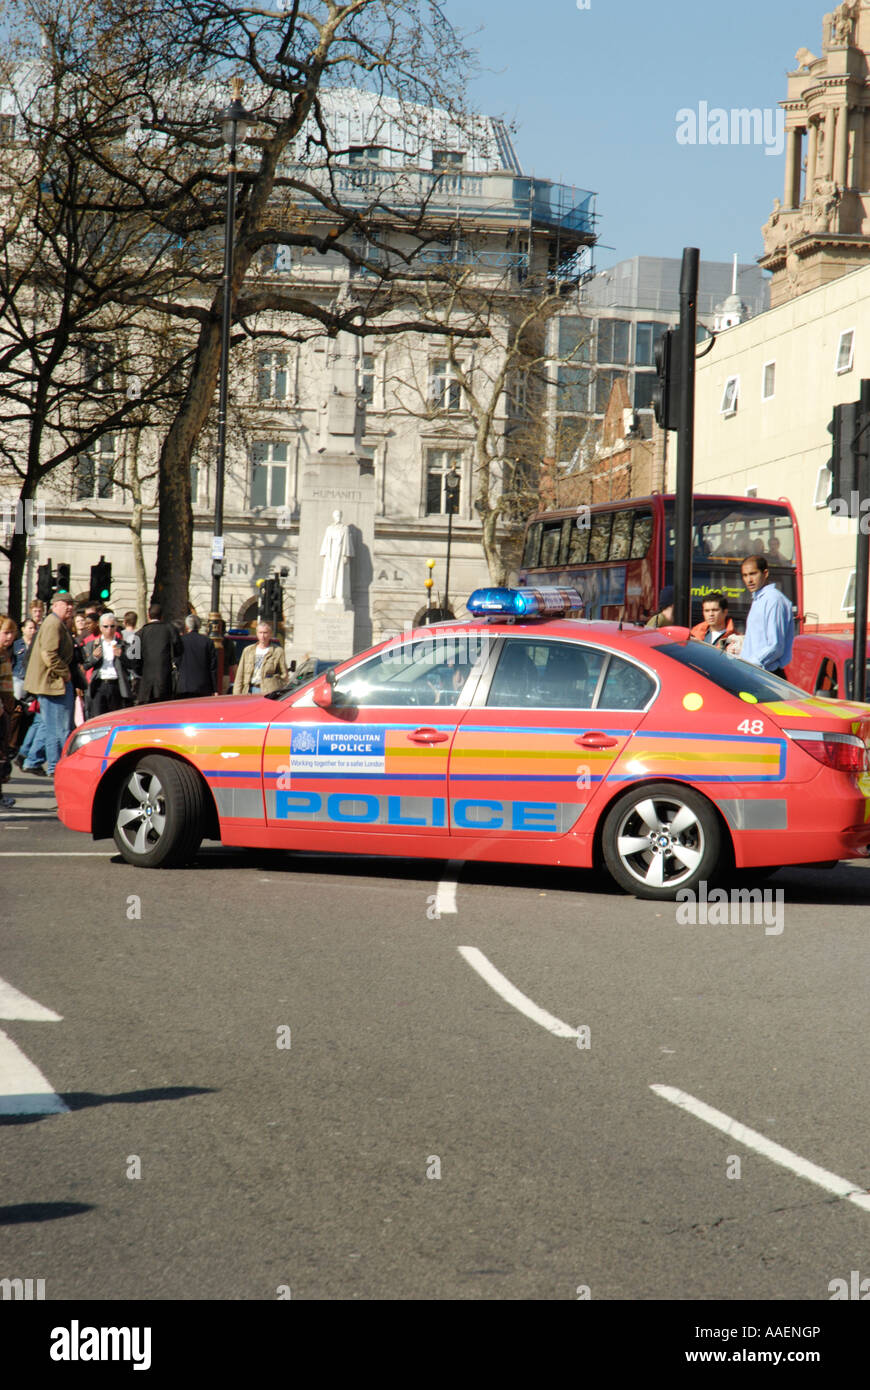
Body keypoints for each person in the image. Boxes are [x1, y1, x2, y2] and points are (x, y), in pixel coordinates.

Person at [23, 588, 76, 777]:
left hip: (53, 683)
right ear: (54, 606)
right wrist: (65, 673)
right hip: (53, 683)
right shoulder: (53, 623)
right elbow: (49, 654)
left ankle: (37, 761)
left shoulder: (56, 622)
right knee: (59, 729)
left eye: (71, 604)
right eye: (65, 603)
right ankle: (56, 767)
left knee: (51, 726)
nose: (70, 607)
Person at [739, 554, 794, 678]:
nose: (749, 580)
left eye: (753, 574)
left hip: (766, 675)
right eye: (745, 575)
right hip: (755, 672)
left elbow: (775, 646)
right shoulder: (758, 599)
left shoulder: (773, 600)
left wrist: (749, 663)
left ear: (765, 573)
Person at [83, 612, 134, 716]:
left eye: (112, 626)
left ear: (116, 627)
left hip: (116, 685)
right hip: (99, 685)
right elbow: (85, 666)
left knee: (115, 716)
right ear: (100, 628)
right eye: (105, 626)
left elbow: (133, 666)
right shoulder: (92, 644)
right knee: (98, 717)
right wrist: (94, 658)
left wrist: (122, 656)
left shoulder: (123, 645)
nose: (109, 629)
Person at [137, 603, 183, 704]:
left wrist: (140, 671)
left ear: (148, 615)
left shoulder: (140, 633)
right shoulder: (171, 629)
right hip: (165, 680)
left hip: (146, 682)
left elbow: (134, 657)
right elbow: (179, 650)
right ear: (162, 616)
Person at [233, 621, 288, 695]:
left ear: (270, 634)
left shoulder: (278, 651)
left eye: (265, 633)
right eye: (260, 632)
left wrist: (277, 688)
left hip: (268, 692)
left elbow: (284, 675)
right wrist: (237, 694)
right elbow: (240, 674)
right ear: (257, 634)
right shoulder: (248, 650)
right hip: (249, 690)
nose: (263, 636)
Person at [176, 614, 218, 697]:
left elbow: (177, 661)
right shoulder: (207, 642)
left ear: (187, 626)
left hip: (184, 685)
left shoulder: (181, 641)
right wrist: (215, 689)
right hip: (203, 686)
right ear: (199, 626)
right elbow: (213, 667)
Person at [0, 617, 18, 808]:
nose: (10, 637)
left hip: (6, 705)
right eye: (6, 632)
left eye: (12, 633)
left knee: (3, 753)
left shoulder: (4, 653)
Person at [121, 612, 141, 703]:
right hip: (136, 673)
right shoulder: (139, 634)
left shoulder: (120, 635)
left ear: (125, 621)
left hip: (124, 672)